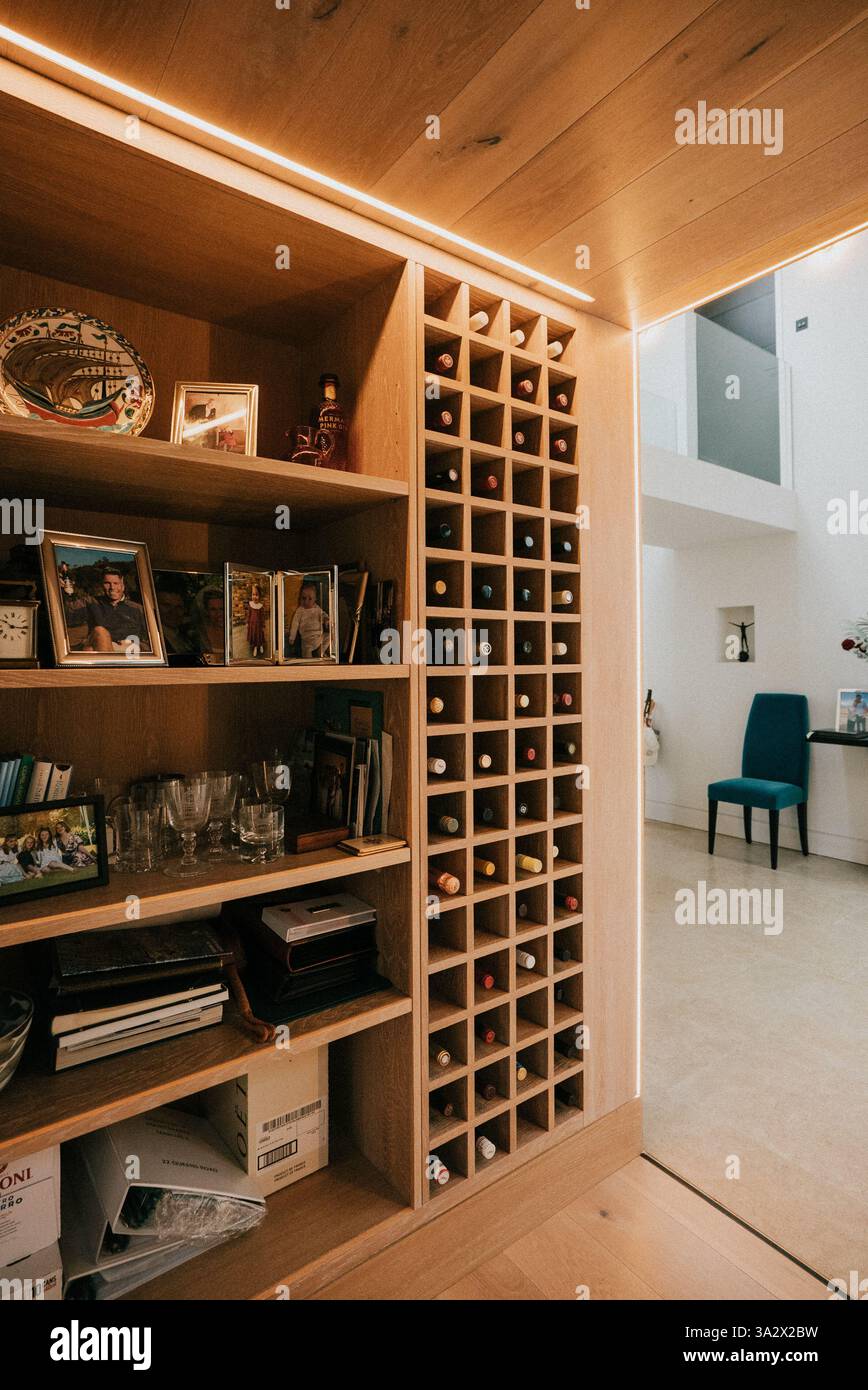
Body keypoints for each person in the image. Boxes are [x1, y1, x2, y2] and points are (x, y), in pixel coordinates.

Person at [86, 566, 151, 654]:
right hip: (102, 646)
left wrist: (135, 645)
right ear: (102, 585)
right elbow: (68, 612)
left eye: (116, 583)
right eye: (107, 583)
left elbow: (151, 639)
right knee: (99, 632)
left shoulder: (138, 608)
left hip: (130, 650)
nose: (112, 587)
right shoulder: (92, 602)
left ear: (123, 585)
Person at [287, 581, 330, 659]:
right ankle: (309, 660)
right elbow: (295, 623)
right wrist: (292, 637)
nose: (306, 601)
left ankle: (320, 651)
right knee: (307, 656)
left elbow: (323, 614)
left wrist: (326, 619)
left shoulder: (317, 608)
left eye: (310, 599)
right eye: (304, 598)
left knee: (329, 636)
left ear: (315, 599)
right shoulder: (300, 610)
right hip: (307, 640)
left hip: (318, 637)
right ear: (300, 597)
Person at [246, 583, 267, 659]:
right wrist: (248, 623)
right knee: (254, 636)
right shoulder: (250, 605)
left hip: (258, 625)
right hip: (252, 624)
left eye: (257, 595)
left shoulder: (260, 606)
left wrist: (263, 625)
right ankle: (255, 647)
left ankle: (260, 645)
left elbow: (262, 617)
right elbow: (249, 614)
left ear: (260, 596)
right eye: (253, 594)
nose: (254, 597)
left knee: (259, 636)